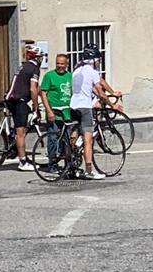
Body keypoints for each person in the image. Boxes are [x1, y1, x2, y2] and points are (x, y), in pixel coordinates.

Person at [69, 45, 117, 179]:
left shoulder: (76, 71)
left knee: (73, 136)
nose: (99, 63)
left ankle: (70, 166)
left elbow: (89, 89)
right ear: (93, 60)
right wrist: (112, 105)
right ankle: (89, 171)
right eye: (98, 60)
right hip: (85, 107)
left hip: (73, 106)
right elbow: (100, 93)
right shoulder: (92, 72)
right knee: (88, 140)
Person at [6, 40, 41, 170]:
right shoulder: (34, 68)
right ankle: (22, 162)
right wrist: (36, 106)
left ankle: (15, 146)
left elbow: (36, 87)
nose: (42, 59)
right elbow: (33, 89)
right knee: (20, 133)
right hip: (19, 100)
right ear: (36, 57)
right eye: (40, 57)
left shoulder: (23, 66)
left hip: (11, 99)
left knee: (19, 127)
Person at [40, 51, 73, 169]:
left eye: (62, 64)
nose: (59, 65)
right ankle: (52, 163)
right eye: (58, 63)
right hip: (54, 112)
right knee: (53, 138)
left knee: (67, 140)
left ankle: (67, 163)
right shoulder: (49, 76)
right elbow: (43, 93)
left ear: (67, 64)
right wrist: (48, 111)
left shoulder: (70, 76)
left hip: (67, 113)